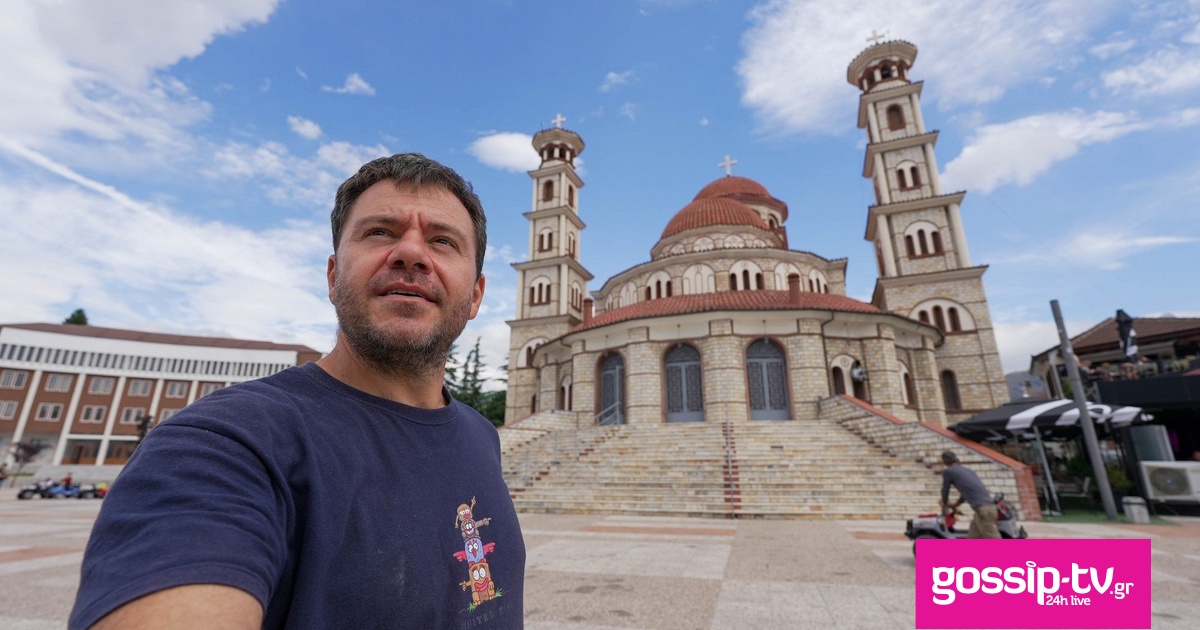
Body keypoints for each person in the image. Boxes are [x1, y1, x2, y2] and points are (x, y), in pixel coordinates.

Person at [70, 153, 524, 629]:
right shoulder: (227, 444)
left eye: (442, 240)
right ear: (333, 277)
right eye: (380, 233)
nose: (411, 254)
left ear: (475, 295)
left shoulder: (479, 434)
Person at [939, 450, 1000, 539]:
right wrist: (957, 504)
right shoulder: (968, 470)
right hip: (985, 509)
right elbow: (966, 491)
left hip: (983, 510)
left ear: (944, 461)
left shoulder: (949, 471)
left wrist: (944, 502)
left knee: (993, 538)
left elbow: (945, 489)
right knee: (973, 537)